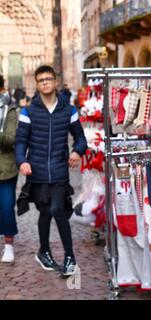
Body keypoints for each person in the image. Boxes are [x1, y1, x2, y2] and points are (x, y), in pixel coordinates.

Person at [15, 65, 87, 276]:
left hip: (58, 171)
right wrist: (21, 161)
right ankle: (44, 251)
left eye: (48, 78)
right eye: (41, 80)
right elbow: (20, 142)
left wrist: (77, 151)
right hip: (36, 173)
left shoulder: (69, 110)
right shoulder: (28, 111)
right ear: (37, 85)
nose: (45, 82)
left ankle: (70, 257)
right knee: (45, 212)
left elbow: (81, 138)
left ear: (55, 82)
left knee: (57, 209)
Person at [0, 75, 18, 263]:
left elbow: (12, 140)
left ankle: (8, 245)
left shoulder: (9, 111)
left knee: (5, 207)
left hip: (4, 168)